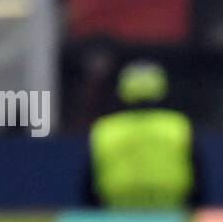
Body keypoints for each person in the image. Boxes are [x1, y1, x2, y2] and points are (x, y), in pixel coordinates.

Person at [85, 61, 203, 209]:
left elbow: (88, 185)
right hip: (171, 214)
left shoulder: (105, 129)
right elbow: (199, 180)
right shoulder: (178, 126)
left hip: (116, 216)